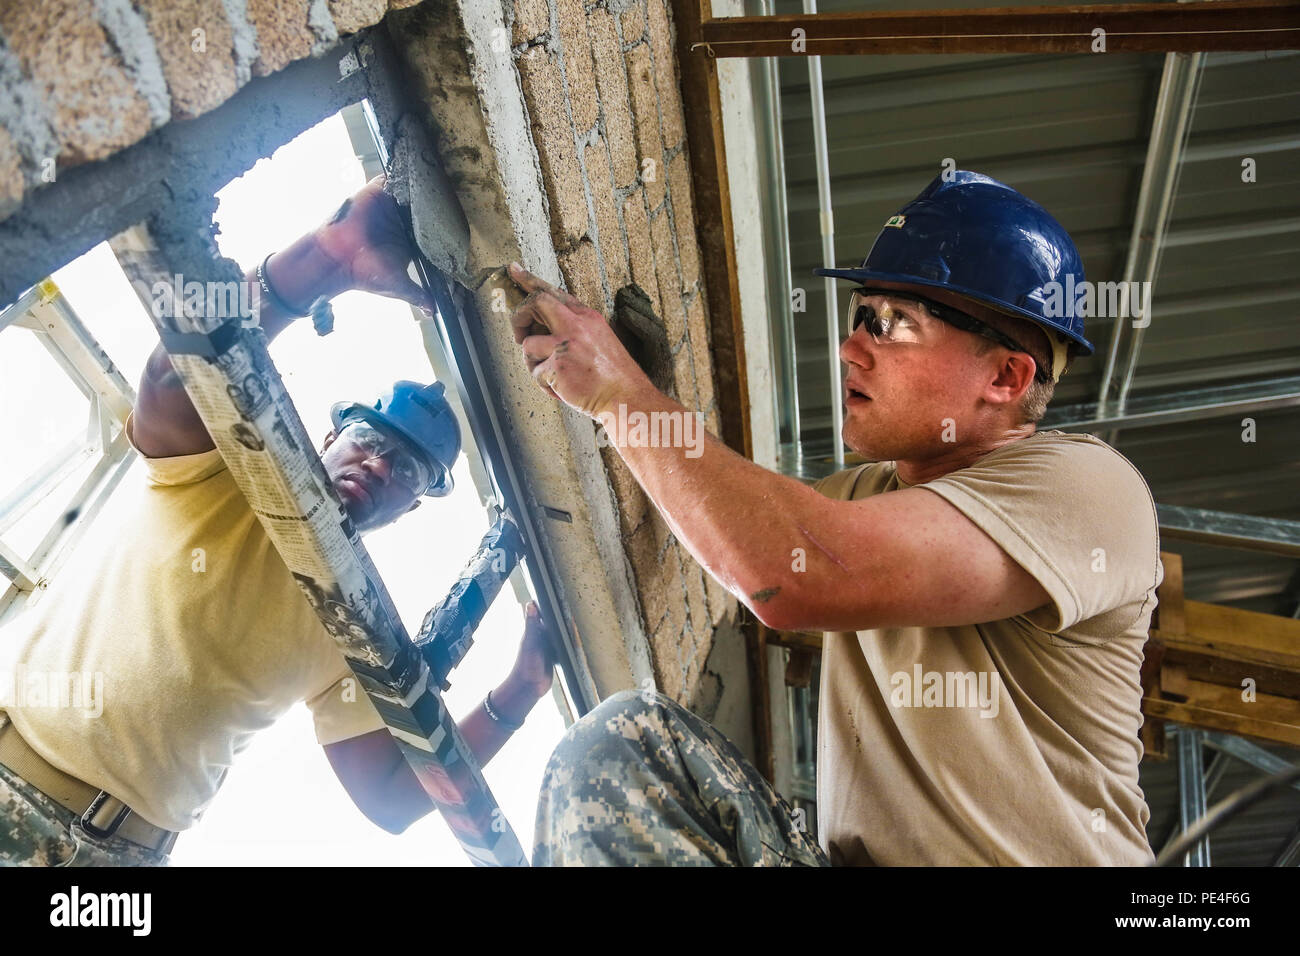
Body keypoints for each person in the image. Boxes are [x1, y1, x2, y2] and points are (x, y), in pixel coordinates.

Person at [512, 171, 1162, 866]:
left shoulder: (1088, 489)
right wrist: (655, 412)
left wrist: (624, 396)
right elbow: (748, 526)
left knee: (626, 745)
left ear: (1005, 378)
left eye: (893, 324)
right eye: (860, 314)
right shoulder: (857, 496)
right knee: (632, 760)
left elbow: (789, 569)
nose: (853, 347)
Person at [0, 176, 555, 866]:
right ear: (329, 439)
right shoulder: (222, 474)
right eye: (372, 442)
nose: (381, 468)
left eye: (406, 472)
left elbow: (392, 798)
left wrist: (519, 692)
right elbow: (172, 376)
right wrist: (327, 261)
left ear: (413, 507)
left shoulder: (356, 620)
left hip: (114, 861)